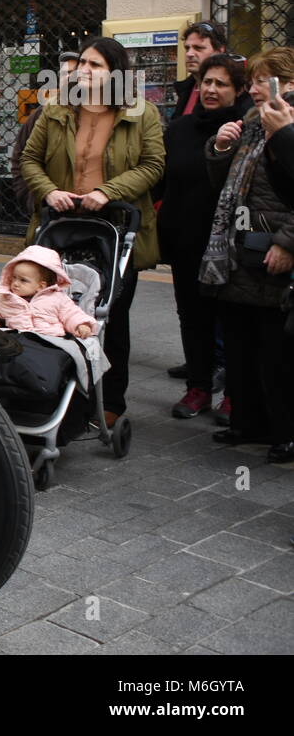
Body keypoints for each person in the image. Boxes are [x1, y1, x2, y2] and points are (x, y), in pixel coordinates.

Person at [21, 35, 165, 428]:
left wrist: (109, 192)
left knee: (109, 317)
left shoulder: (141, 113)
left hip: (115, 229)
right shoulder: (56, 110)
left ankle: (110, 398)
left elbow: (153, 165)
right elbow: (29, 159)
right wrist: (49, 191)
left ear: (116, 72)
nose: (84, 70)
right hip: (62, 228)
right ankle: (58, 395)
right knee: (53, 313)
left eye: (95, 65)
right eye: (82, 62)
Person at [202, 47, 294, 463]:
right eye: (254, 80)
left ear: (288, 83)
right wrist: (220, 150)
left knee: (276, 353)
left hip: (270, 249)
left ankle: (284, 432)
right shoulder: (254, 122)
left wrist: (288, 242)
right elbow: (229, 186)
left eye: (262, 80)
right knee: (241, 346)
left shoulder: (285, 124)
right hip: (238, 249)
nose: (254, 89)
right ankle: (247, 422)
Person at [158, 53, 249, 419]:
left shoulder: (248, 128)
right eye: (205, 83)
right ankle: (197, 387)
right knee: (192, 316)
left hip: (230, 246)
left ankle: (234, 394)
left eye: (221, 84)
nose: (210, 90)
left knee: (230, 321)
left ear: (238, 89)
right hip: (185, 239)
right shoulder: (180, 129)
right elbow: (163, 181)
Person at [11, 51, 78, 216]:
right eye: (64, 74)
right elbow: (21, 159)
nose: (69, 78)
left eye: (74, 72)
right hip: (51, 215)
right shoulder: (42, 114)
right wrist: (34, 199)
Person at [0, 246, 97, 337]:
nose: (15, 283)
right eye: (14, 278)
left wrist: (81, 325)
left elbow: (71, 314)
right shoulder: (5, 298)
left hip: (50, 340)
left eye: (23, 280)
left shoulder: (56, 298)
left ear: (41, 286)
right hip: (15, 340)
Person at [169, 20, 230, 122]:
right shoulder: (185, 89)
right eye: (187, 48)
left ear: (219, 51)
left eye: (198, 48)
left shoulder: (232, 90)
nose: (189, 54)